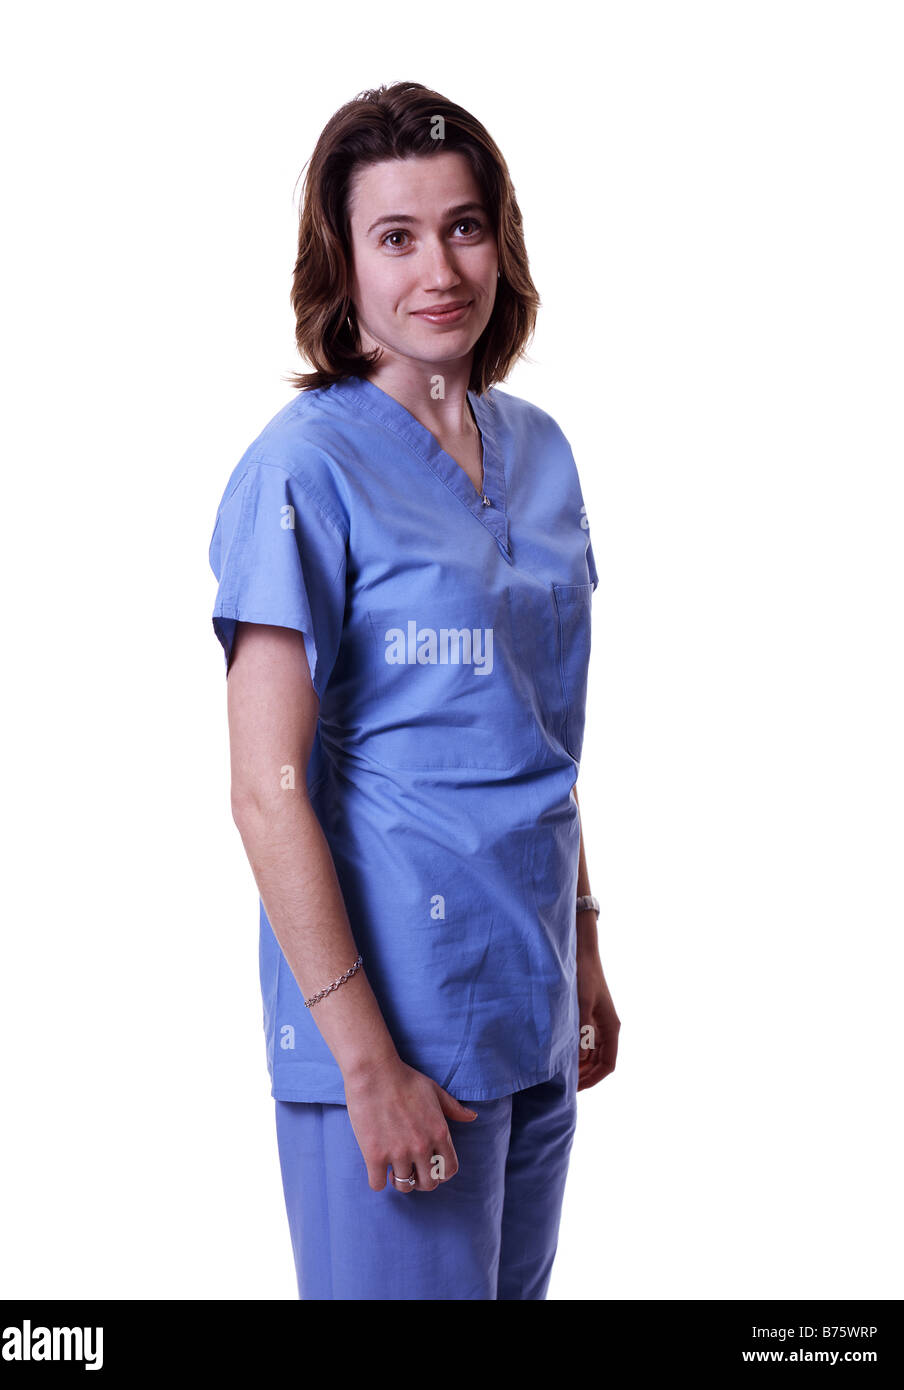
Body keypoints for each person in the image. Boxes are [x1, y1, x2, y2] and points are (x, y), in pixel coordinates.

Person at [208, 80, 620, 1301]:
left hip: (531, 1006)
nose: (439, 267)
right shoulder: (302, 468)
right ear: (343, 268)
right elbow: (265, 789)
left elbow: (539, 732)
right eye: (395, 237)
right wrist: (364, 1062)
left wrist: (585, 944)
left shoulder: (539, 451)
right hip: (398, 1037)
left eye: (465, 225)